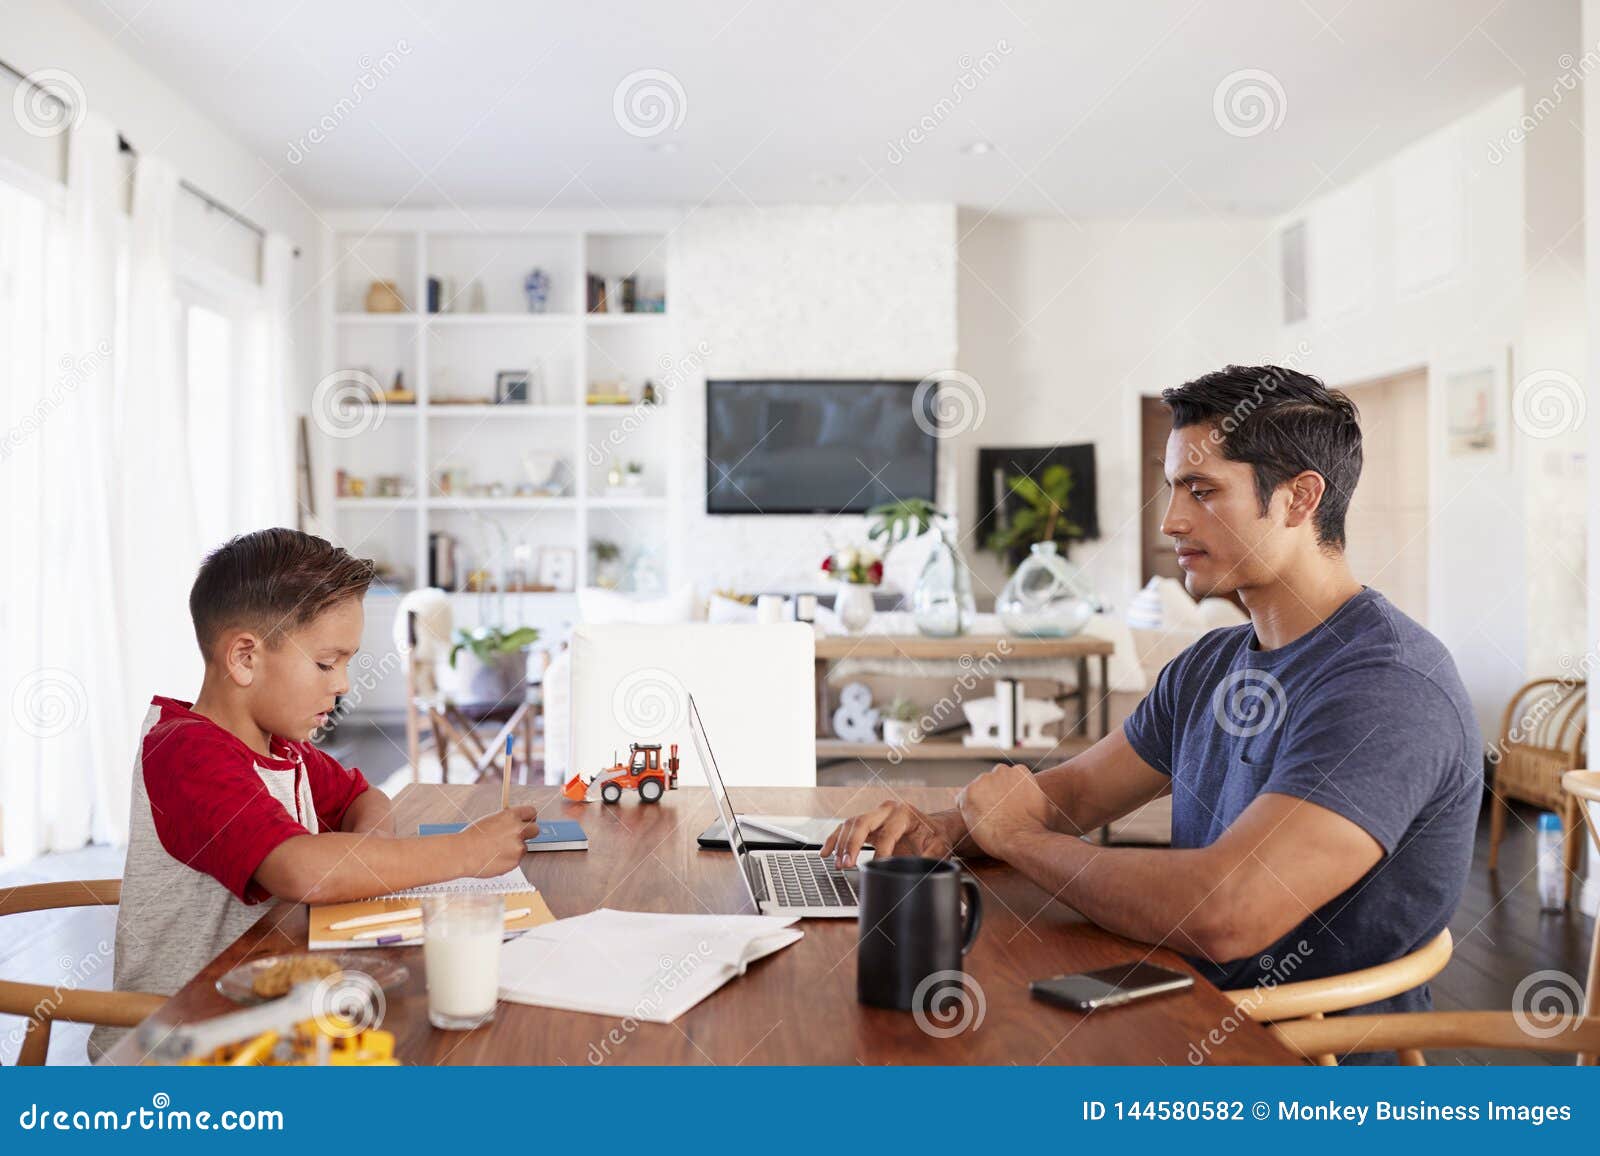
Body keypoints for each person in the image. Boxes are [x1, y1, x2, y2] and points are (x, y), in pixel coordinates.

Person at [824, 365, 1481, 1061]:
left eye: (1203, 491)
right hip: (1180, 999)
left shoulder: (1387, 686)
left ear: (1299, 499)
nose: (1171, 520)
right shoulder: (1210, 664)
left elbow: (1229, 912)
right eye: (1172, 488)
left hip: (1287, 1059)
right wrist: (940, 830)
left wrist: (1021, 842)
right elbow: (1073, 795)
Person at [90, 529, 537, 1059]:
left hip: (269, 1023)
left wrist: (364, 859)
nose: (344, 683)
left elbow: (363, 797)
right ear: (245, 658)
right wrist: (465, 852)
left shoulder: (282, 746)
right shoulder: (185, 753)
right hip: (179, 1049)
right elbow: (299, 870)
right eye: (328, 663)